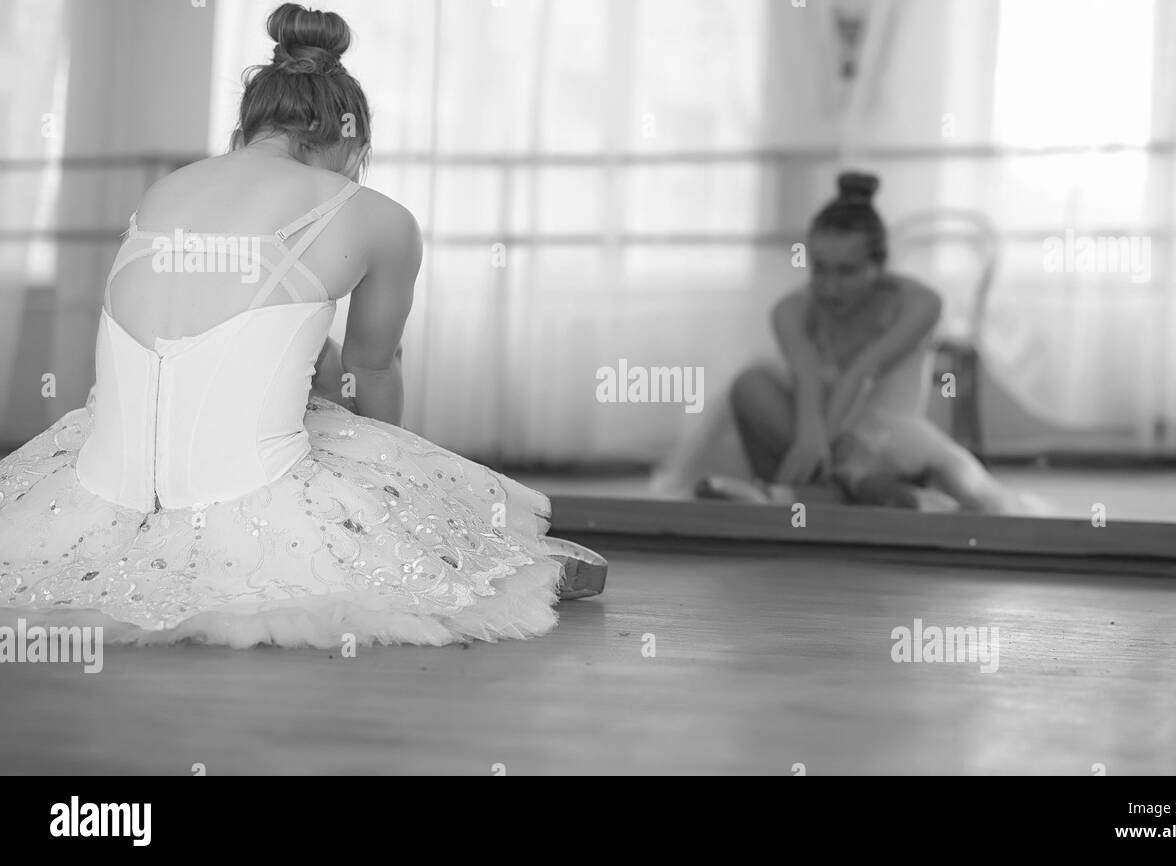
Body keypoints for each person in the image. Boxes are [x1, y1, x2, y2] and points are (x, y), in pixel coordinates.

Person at [0, 3, 603, 649]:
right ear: (350, 136)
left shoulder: (168, 189)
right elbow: (373, 369)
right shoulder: (375, 214)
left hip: (99, 488)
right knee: (499, 541)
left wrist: (315, 359)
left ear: (250, 124)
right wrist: (397, 488)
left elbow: (227, 331)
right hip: (253, 492)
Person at [704, 172, 1027, 514]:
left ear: (880, 265)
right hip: (807, 425)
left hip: (889, 438)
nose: (830, 287)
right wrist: (810, 438)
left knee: (860, 447)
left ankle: (803, 494)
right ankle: (845, 490)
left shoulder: (918, 303)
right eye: (820, 270)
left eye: (847, 272)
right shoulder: (791, 309)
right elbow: (805, 376)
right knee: (749, 386)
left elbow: (862, 372)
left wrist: (821, 442)